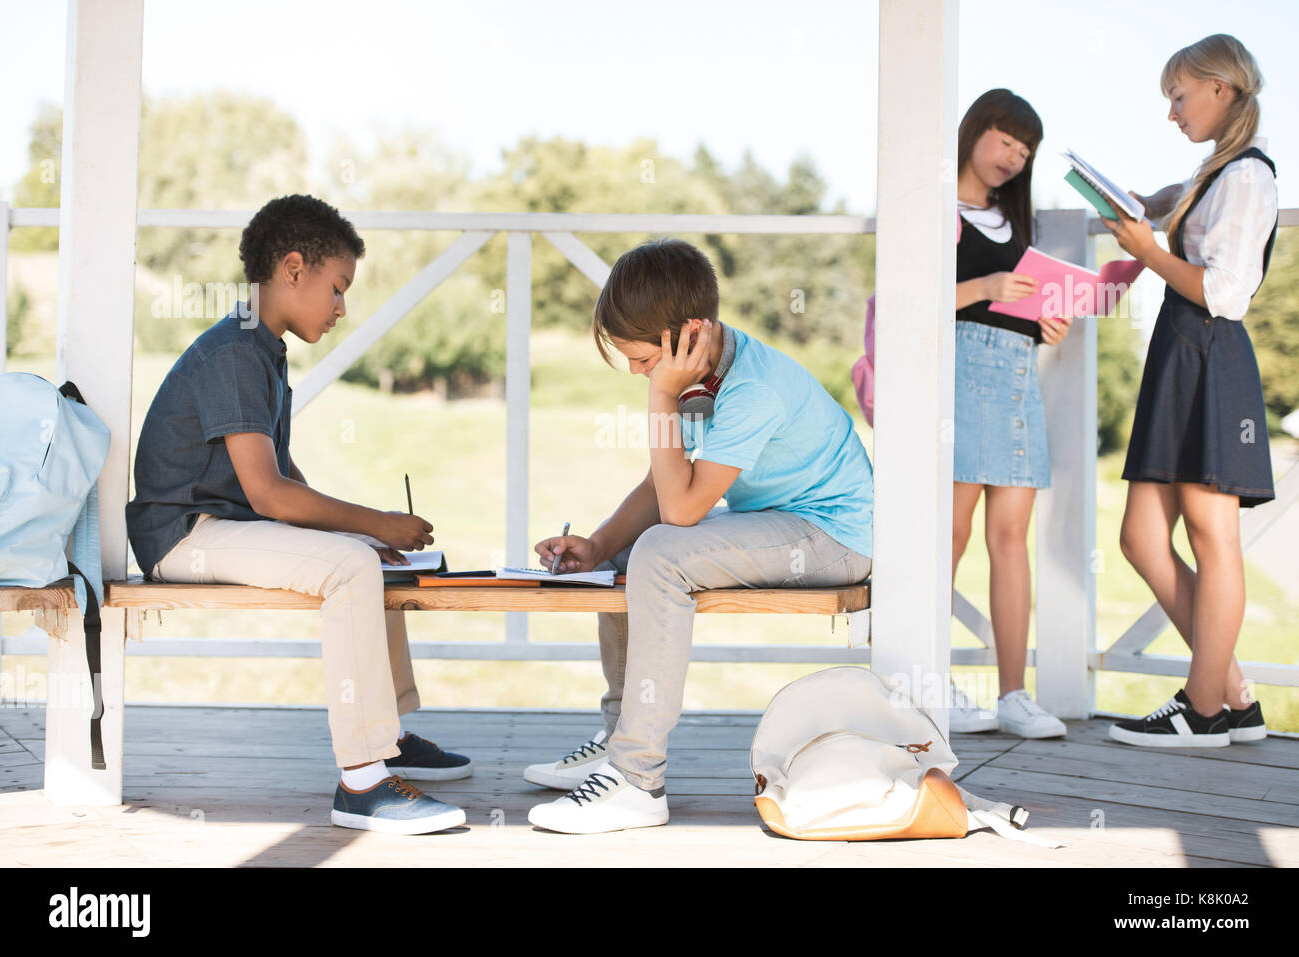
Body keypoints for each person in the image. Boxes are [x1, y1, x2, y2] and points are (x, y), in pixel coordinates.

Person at [126, 194, 472, 832]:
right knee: (350, 564)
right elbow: (269, 495)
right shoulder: (234, 353)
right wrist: (373, 521)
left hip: (222, 527)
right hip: (184, 537)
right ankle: (362, 780)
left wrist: (365, 534)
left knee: (365, 560)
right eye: (337, 289)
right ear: (292, 269)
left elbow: (282, 477)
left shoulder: (261, 348)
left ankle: (386, 736)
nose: (342, 308)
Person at [524, 238, 875, 834]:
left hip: (833, 534)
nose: (638, 374)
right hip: (784, 521)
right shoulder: (702, 371)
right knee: (637, 550)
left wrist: (662, 394)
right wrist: (600, 545)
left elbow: (681, 512)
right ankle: (617, 744)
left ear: (688, 334)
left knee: (661, 550)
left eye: (641, 361)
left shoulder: (749, 389)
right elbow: (667, 482)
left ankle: (637, 781)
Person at [1105, 35, 1277, 748]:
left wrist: (1149, 253)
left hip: (1209, 352)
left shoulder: (1248, 177)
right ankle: (1232, 692)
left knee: (1214, 537)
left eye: (1179, 95)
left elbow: (1228, 293)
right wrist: (1140, 205)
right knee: (1142, 538)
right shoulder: (1213, 174)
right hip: (1177, 355)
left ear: (1221, 88)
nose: (1172, 112)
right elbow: (1175, 203)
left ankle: (1204, 708)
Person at [947, 89, 1074, 738]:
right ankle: (930, 680)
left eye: (1026, 152)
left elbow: (1017, 303)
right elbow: (912, 297)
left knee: (1009, 539)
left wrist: (1045, 325)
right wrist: (988, 289)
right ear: (975, 131)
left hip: (1017, 379)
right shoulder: (940, 210)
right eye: (1006, 141)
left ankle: (1013, 694)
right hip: (961, 378)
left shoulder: (1016, 224)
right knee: (953, 534)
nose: (1014, 158)